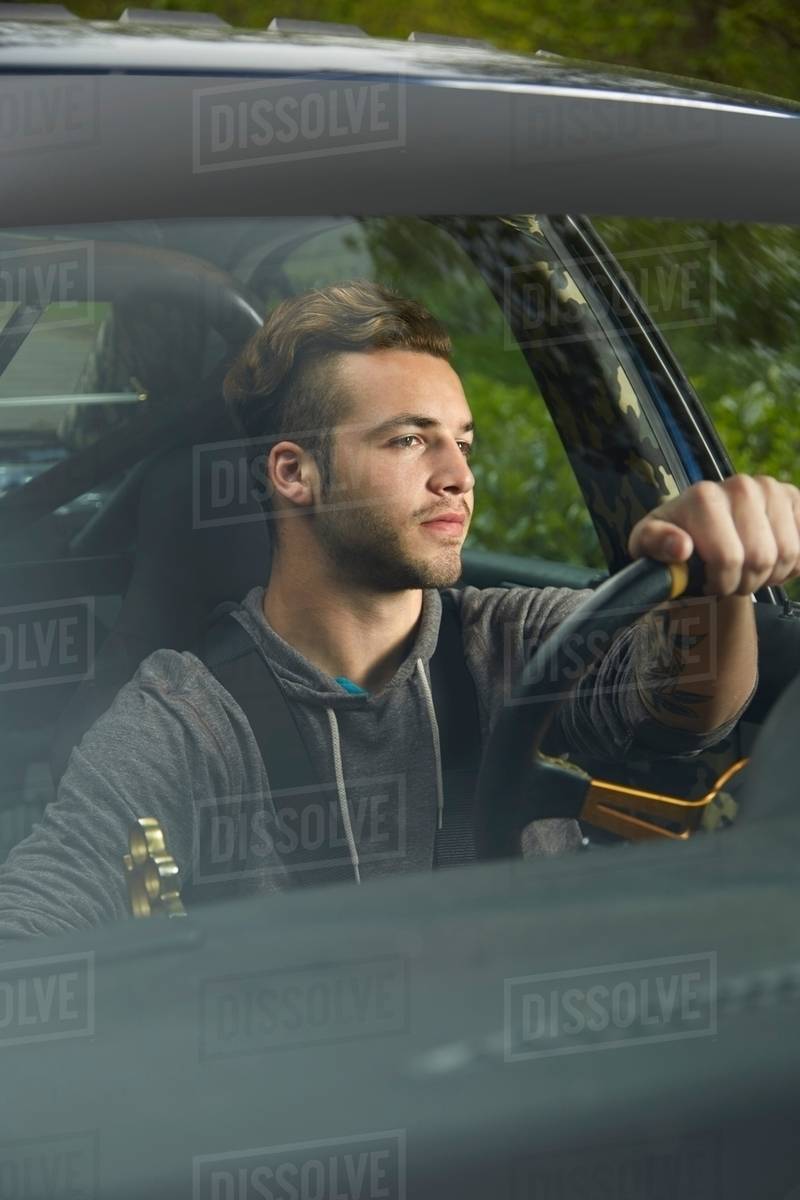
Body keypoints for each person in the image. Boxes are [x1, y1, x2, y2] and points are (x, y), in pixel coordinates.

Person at [0, 280, 797, 939]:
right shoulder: (184, 717)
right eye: (410, 441)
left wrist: (718, 581)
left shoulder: (516, 639)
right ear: (294, 473)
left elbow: (686, 707)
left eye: (465, 442)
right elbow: (46, 906)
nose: (458, 476)